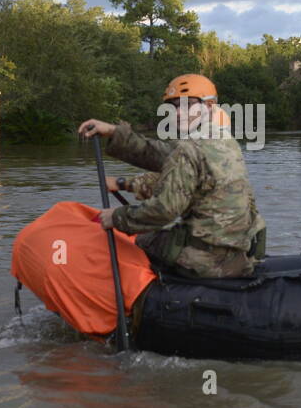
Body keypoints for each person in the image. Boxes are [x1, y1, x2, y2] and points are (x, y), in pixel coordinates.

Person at [77, 73, 266, 279]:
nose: (178, 113)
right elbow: (162, 155)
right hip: (238, 258)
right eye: (174, 106)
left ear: (209, 107)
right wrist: (114, 132)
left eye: (188, 105)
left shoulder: (189, 148)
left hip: (206, 263)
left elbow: (164, 211)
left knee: (141, 241)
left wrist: (115, 217)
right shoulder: (225, 142)